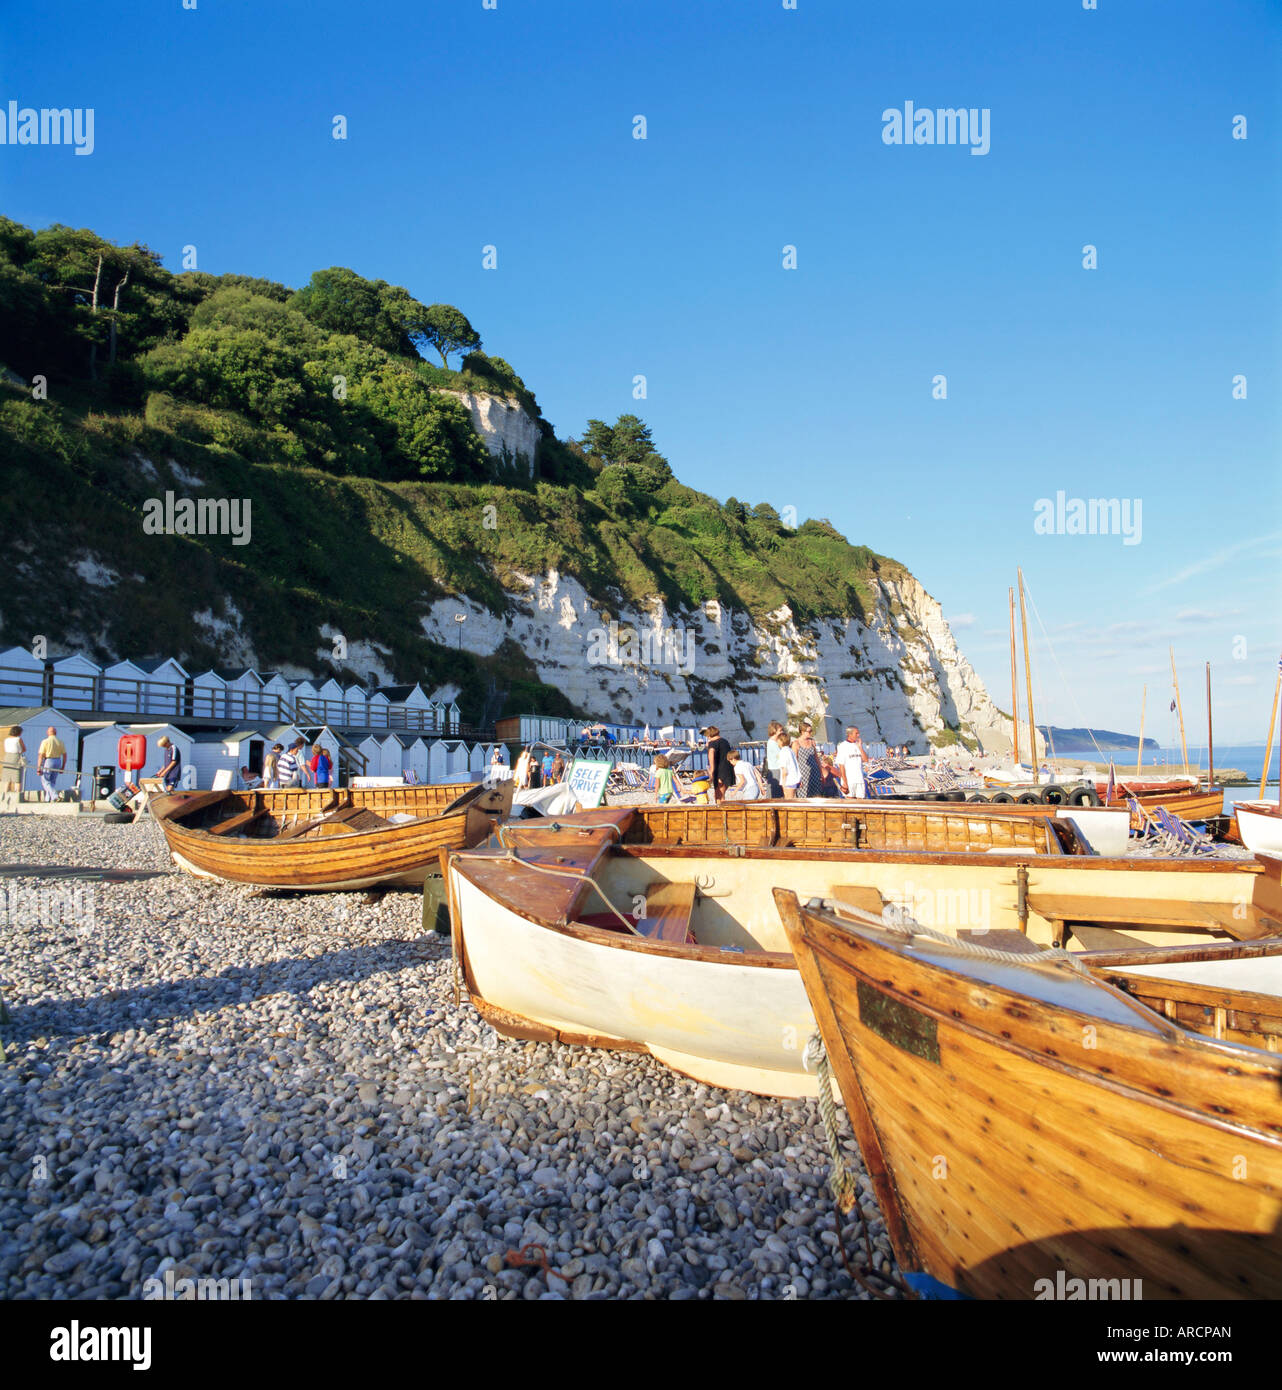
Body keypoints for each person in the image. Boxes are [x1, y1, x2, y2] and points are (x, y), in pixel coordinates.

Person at [34, 725, 66, 802]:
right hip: (58, 760)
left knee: (45, 780)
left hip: (49, 760)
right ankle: (48, 799)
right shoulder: (60, 742)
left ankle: (54, 795)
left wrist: (38, 767)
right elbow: (65, 755)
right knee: (52, 781)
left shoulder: (45, 741)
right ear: (55, 733)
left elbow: (41, 755)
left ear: (48, 733)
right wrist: (62, 767)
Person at [834, 725, 867, 799]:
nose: (858, 735)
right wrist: (845, 782)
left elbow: (865, 760)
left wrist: (860, 747)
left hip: (859, 779)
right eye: (856, 733)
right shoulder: (842, 746)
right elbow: (841, 766)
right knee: (850, 803)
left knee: (861, 803)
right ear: (850, 734)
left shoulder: (858, 745)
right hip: (849, 780)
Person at [703, 725, 733, 803]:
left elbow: (711, 756)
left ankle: (721, 813)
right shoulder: (724, 741)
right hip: (728, 769)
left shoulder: (712, 744)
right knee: (721, 794)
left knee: (719, 796)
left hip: (719, 771)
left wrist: (711, 771)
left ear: (709, 735)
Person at [794, 721, 821, 798]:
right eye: (809, 731)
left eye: (811, 731)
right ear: (802, 732)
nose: (810, 733)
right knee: (803, 796)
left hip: (814, 772)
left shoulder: (812, 741)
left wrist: (821, 772)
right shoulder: (796, 743)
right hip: (803, 774)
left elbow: (817, 758)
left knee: (816, 796)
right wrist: (797, 778)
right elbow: (795, 762)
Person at [2, 724, 25, 804]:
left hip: (7, 757)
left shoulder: (6, 740)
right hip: (15, 756)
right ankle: (17, 795)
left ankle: (4, 796)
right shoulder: (18, 739)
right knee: (17, 776)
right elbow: (24, 749)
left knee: (7, 777)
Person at [763, 720, 783, 797]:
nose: (782, 732)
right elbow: (780, 755)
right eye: (780, 730)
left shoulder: (775, 742)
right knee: (775, 792)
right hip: (775, 769)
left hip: (777, 769)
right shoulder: (772, 742)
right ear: (774, 731)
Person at [778, 733, 801, 799]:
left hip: (789, 781)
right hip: (794, 780)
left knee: (788, 801)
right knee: (793, 800)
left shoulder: (783, 752)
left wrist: (784, 785)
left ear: (781, 741)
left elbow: (784, 770)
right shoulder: (790, 750)